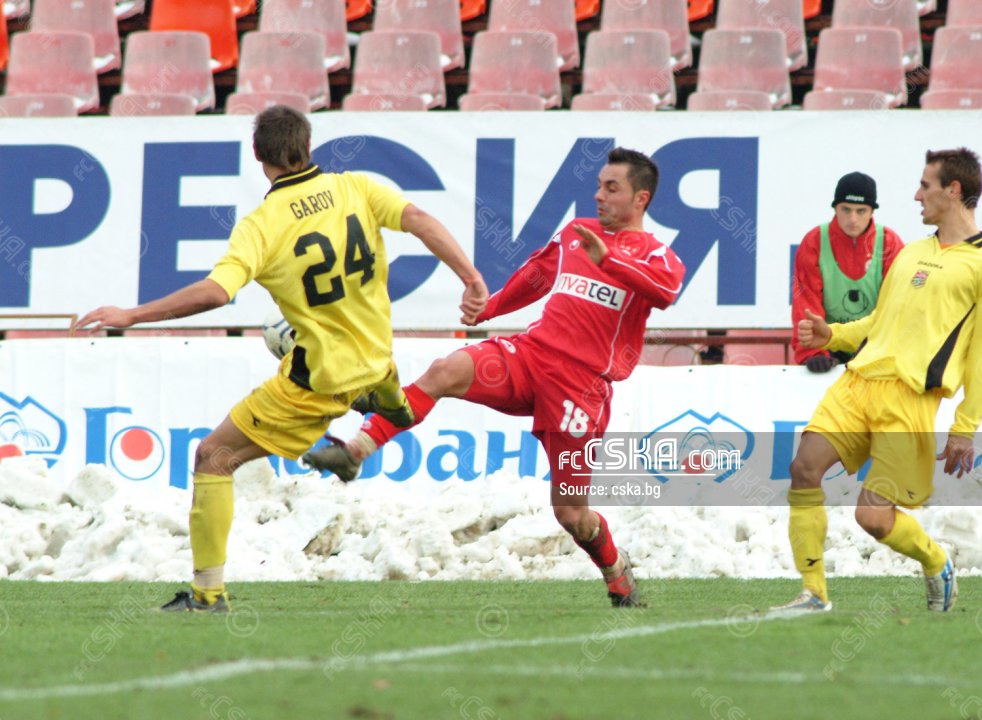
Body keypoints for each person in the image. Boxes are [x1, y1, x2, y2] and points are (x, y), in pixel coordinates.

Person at [77, 106, 489, 612]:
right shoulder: (356, 187)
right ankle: (388, 399)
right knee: (330, 351)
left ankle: (207, 595)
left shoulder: (262, 226)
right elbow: (421, 221)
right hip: (377, 353)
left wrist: (133, 314)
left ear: (260, 159)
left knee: (213, 458)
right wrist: (469, 276)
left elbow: (215, 293)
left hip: (316, 381)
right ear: (309, 146)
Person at [304, 147, 686, 608]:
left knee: (571, 515)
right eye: (599, 185)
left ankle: (615, 569)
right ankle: (356, 451)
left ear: (640, 199)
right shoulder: (576, 233)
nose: (599, 195)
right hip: (531, 355)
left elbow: (665, 292)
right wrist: (490, 308)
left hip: (580, 388)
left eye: (612, 188)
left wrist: (609, 261)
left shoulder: (657, 256)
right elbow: (536, 277)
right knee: (446, 371)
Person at [774, 148, 982, 613]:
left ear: (953, 191)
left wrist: (965, 425)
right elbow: (878, 320)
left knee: (872, 516)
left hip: (909, 400)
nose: (916, 195)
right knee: (804, 468)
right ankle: (814, 594)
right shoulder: (912, 252)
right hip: (859, 381)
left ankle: (936, 561)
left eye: (925, 185)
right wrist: (834, 334)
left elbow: (979, 358)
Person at [791, 172, 904, 372]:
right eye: (846, 209)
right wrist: (813, 353)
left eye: (861, 211)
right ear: (835, 208)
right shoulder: (814, 242)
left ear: (872, 211)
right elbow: (805, 305)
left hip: (874, 345)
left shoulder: (889, 243)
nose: (853, 219)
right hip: (826, 346)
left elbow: (895, 309)